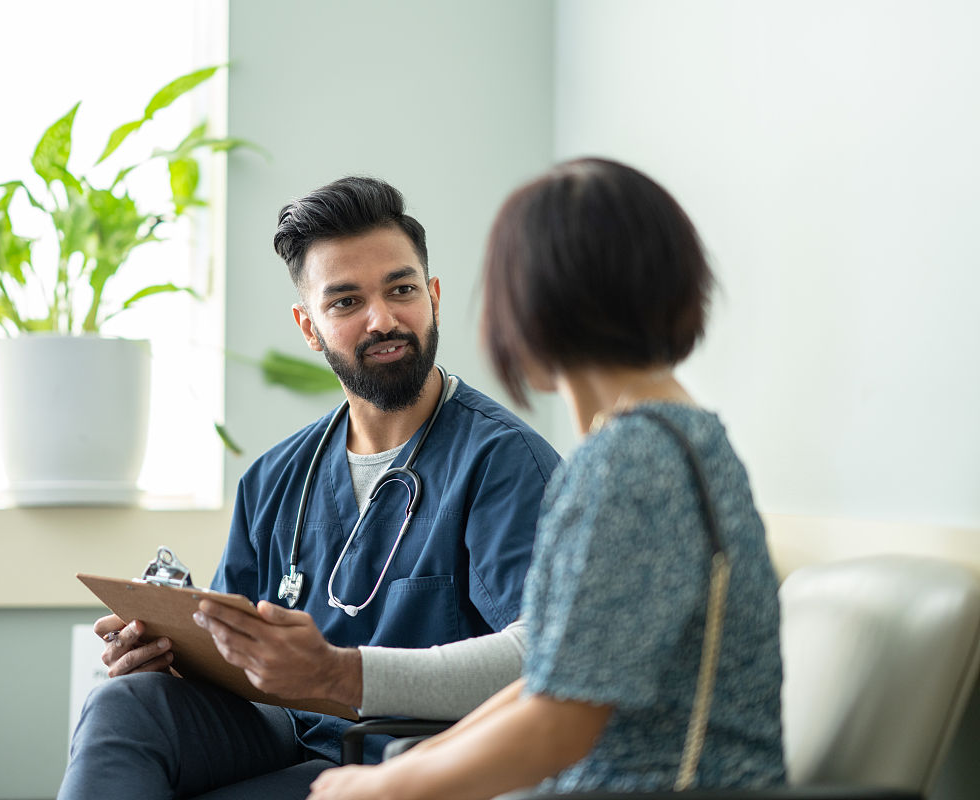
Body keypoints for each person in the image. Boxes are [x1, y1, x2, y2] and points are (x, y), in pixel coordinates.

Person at [57, 176, 561, 799]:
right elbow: (232, 657)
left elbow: (545, 656)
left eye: (401, 290)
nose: (383, 319)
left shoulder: (504, 463)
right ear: (309, 326)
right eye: (345, 302)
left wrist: (341, 674)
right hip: (283, 734)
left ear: (432, 295)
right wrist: (168, 654)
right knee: (126, 704)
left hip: (407, 761)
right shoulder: (275, 478)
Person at [308, 158, 786, 799]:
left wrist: (386, 789)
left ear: (536, 305)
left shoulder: (627, 463)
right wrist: (401, 771)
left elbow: (560, 725)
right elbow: (549, 681)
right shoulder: (688, 435)